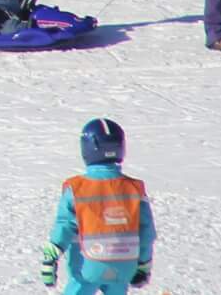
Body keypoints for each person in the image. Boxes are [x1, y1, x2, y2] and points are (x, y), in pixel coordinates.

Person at [39, 117, 155, 293]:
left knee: (79, 287)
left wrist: (51, 257)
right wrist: (144, 264)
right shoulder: (134, 188)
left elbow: (65, 225)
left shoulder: (76, 189)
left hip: (88, 266)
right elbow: (146, 231)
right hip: (124, 265)